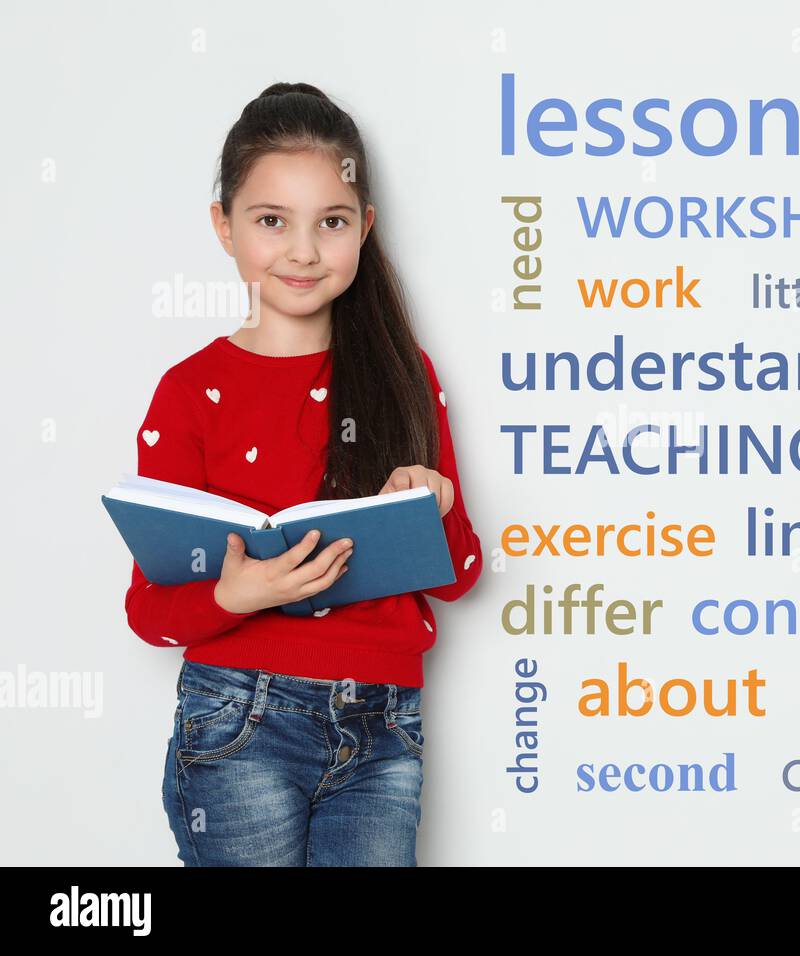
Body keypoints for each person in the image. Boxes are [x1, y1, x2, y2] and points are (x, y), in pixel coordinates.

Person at [125, 82, 483, 866]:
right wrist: (237, 593)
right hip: (239, 718)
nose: (303, 250)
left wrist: (439, 509)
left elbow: (459, 577)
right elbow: (148, 611)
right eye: (270, 221)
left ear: (365, 228)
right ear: (224, 227)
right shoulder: (189, 393)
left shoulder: (403, 374)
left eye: (331, 222)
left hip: (385, 725)